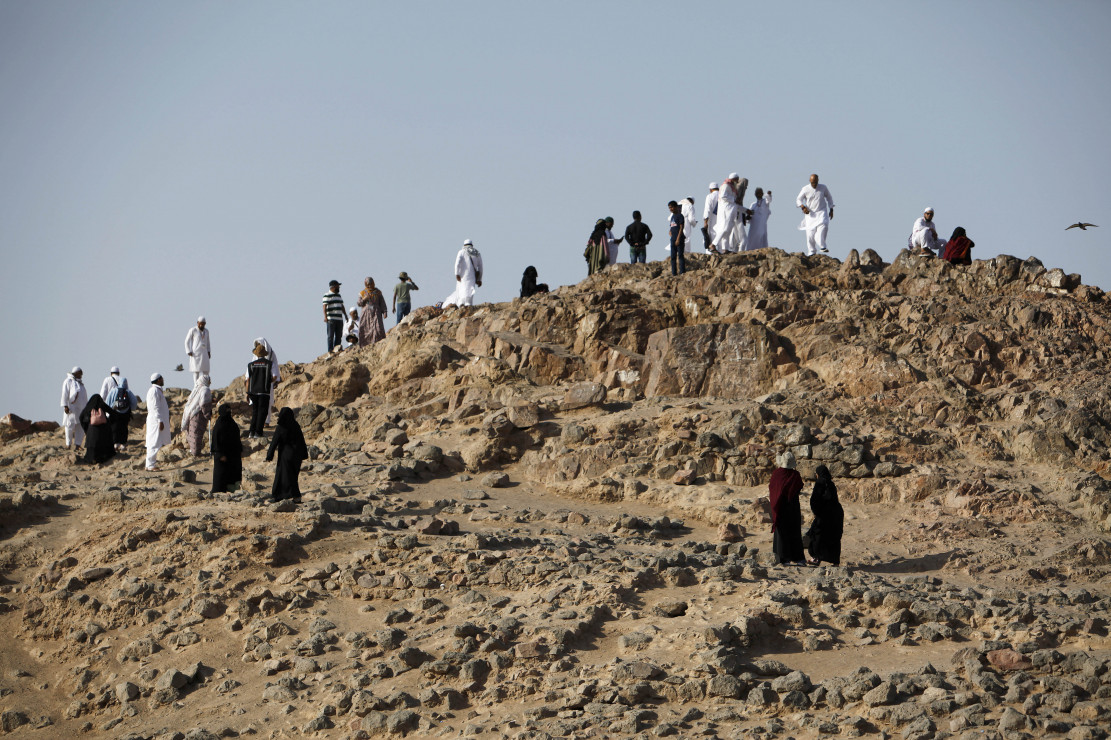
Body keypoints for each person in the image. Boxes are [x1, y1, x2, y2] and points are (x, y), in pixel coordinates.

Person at [768, 452, 806, 565]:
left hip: (780, 507)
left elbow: (773, 489)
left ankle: (783, 558)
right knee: (794, 531)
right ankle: (798, 558)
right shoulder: (795, 475)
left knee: (781, 533)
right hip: (793, 507)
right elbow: (798, 488)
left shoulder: (777, 474)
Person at [266, 407, 308, 503]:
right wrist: (304, 454)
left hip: (286, 455)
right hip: (297, 456)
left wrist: (269, 455)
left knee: (282, 476)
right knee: (293, 476)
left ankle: (279, 496)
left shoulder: (281, 426)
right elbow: (302, 440)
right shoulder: (295, 425)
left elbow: (274, 442)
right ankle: (295, 497)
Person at [806, 465, 844, 566]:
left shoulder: (819, 483)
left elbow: (814, 500)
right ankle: (835, 561)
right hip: (836, 514)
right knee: (833, 537)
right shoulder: (831, 484)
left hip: (824, 515)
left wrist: (817, 513)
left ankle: (816, 559)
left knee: (818, 536)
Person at [796, 174, 835, 256]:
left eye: (816, 182)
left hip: (821, 212)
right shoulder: (805, 189)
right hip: (810, 214)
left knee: (823, 227)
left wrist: (831, 209)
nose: (814, 184)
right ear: (810, 181)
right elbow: (798, 199)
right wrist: (803, 207)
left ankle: (823, 246)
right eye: (813, 182)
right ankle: (812, 251)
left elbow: (829, 198)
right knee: (810, 234)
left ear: (818, 181)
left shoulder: (823, 187)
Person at [210, 404, 243, 494]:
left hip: (233, 455)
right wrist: (220, 454)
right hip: (222, 455)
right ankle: (217, 492)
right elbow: (216, 440)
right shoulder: (219, 425)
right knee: (220, 476)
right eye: (227, 411)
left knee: (232, 475)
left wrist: (239, 450)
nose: (228, 413)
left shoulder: (232, 424)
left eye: (229, 411)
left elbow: (237, 439)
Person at [245, 343, 274, 439]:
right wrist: (269, 381)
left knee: (255, 412)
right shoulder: (269, 364)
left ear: (256, 354)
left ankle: (251, 432)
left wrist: (247, 392)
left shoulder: (251, 365)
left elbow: (248, 380)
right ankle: (258, 432)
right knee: (263, 412)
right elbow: (274, 377)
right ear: (264, 354)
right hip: (264, 391)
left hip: (253, 392)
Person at [104, 370, 137, 452]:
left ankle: (115, 444)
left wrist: (108, 411)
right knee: (124, 428)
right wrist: (130, 409)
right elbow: (134, 402)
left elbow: (108, 402)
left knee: (114, 428)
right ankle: (123, 444)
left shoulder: (113, 391)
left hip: (114, 412)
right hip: (125, 413)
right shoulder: (128, 392)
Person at [180, 374, 212, 457]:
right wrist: (207, 414)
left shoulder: (197, 388)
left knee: (192, 432)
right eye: (209, 380)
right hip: (198, 414)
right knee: (196, 434)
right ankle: (196, 453)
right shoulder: (205, 389)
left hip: (190, 413)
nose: (210, 382)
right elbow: (203, 403)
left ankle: (194, 451)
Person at [443, 239, 483, 307]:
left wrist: (457, 274)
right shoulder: (477, 253)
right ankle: (468, 305)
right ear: (472, 245)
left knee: (462, 290)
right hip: (472, 277)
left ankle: (461, 304)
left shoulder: (461, 252)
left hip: (462, 276)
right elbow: (481, 267)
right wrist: (479, 279)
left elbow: (457, 264)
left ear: (464, 245)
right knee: (470, 291)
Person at [78, 394, 115, 465]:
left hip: (91, 438)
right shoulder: (102, 405)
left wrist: (87, 429)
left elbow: (81, 417)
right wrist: (108, 422)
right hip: (104, 438)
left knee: (90, 453)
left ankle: (93, 460)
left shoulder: (89, 407)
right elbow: (113, 413)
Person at [145, 373, 170, 472]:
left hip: (156, 419)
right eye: (162, 378)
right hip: (155, 420)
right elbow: (155, 407)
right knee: (154, 442)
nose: (163, 380)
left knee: (154, 442)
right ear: (158, 380)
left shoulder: (157, 390)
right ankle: (151, 465)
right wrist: (160, 420)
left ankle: (149, 464)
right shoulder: (154, 391)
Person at [60, 367, 87, 450]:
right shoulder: (68, 381)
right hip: (71, 409)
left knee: (80, 426)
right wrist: (65, 406)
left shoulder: (80, 384)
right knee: (69, 425)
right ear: (75, 373)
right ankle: (68, 444)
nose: (81, 375)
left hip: (81, 409)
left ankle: (78, 445)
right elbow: (65, 394)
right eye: (80, 373)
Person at [357, 277, 388, 346]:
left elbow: (382, 302)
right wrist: (364, 299)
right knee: (365, 328)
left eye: (371, 284)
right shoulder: (362, 293)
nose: (370, 286)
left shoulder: (378, 292)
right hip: (366, 314)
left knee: (378, 328)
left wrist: (385, 311)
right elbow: (359, 303)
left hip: (376, 312)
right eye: (368, 284)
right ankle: (365, 345)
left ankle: (378, 343)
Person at [184, 317, 212, 385]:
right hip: (195, 354)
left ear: (205, 324)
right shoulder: (193, 330)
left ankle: (206, 386)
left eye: (203, 324)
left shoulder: (206, 331)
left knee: (206, 371)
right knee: (196, 371)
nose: (201, 325)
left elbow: (208, 342)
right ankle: (196, 386)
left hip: (204, 353)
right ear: (197, 323)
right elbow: (186, 341)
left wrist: (208, 351)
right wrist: (188, 351)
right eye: (200, 324)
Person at [322, 280, 346, 353]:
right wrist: (325, 317)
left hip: (339, 318)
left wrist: (345, 315)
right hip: (331, 319)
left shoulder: (339, 296)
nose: (339, 287)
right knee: (330, 336)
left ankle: (337, 348)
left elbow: (342, 306)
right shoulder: (327, 295)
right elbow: (324, 306)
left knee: (339, 335)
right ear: (333, 286)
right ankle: (330, 350)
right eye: (337, 286)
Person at [668, 201, 686, 276]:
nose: (670, 209)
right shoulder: (672, 216)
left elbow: (681, 227)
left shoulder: (680, 216)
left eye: (671, 207)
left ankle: (682, 272)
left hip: (679, 238)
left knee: (680, 255)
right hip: (673, 239)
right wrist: (670, 231)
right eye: (669, 208)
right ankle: (674, 273)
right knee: (672, 256)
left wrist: (678, 238)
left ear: (675, 207)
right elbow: (672, 225)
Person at [702, 183, 719, 252]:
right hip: (721, 219)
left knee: (710, 236)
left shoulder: (710, 196)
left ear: (710, 190)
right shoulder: (722, 195)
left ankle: (710, 253)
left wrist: (705, 221)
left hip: (712, 220)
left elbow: (707, 209)